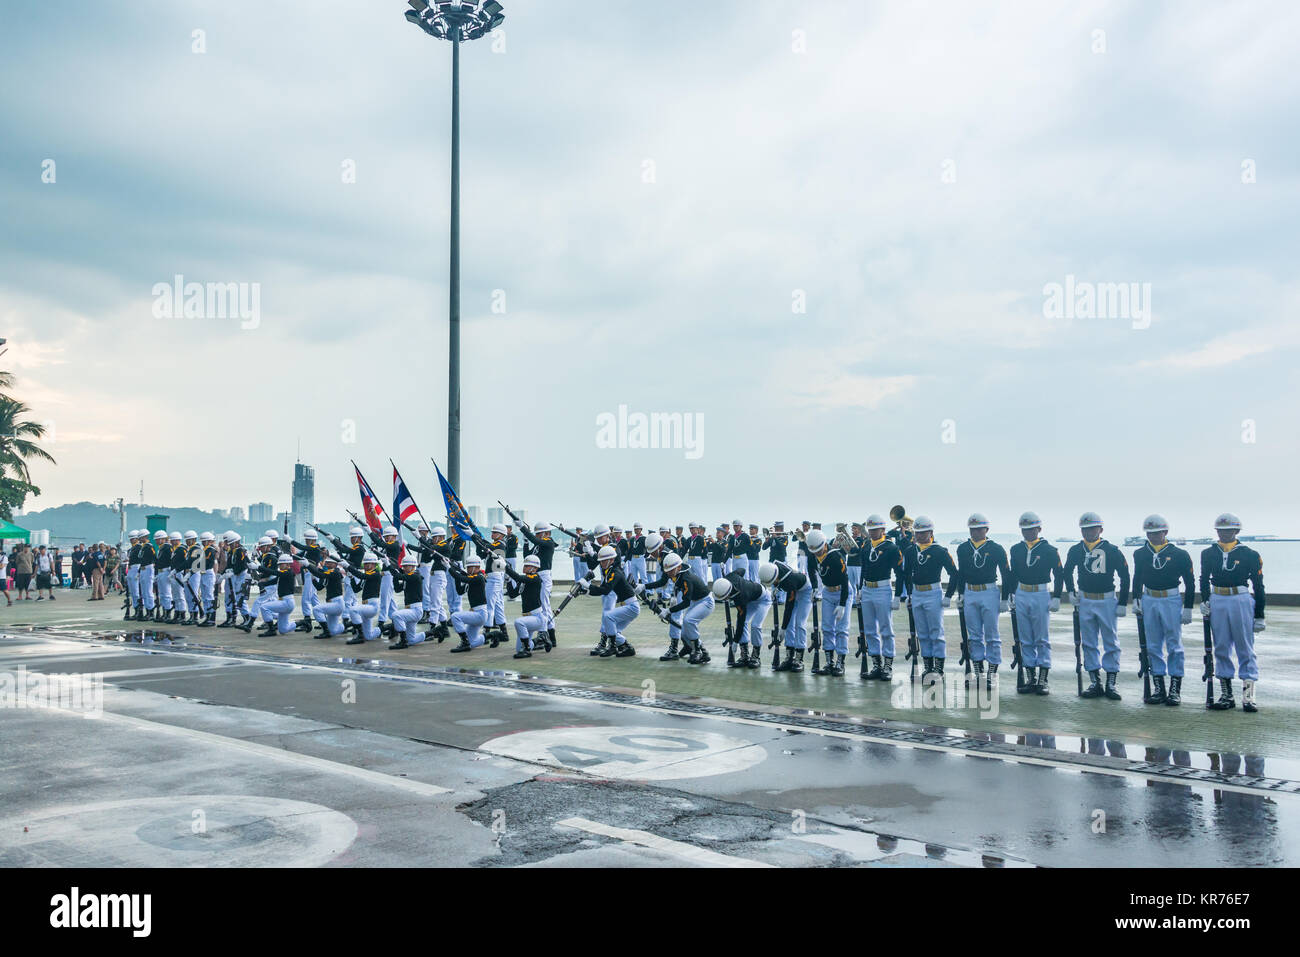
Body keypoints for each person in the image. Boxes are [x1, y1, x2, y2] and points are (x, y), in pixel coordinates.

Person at [1199, 513, 1266, 713]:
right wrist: (1205, 600)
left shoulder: (1250, 554)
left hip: (1240, 599)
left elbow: (1259, 585)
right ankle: (1226, 694)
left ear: (1236, 531)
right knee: (1220, 647)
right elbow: (1203, 579)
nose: (1224, 533)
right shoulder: (1208, 553)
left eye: (1229, 530)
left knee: (1245, 646)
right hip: (1217, 598)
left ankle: (1248, 695)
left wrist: (1260, 614)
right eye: (1221, 530)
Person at [1062, 512, 1131, 700]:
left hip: (1107, 600)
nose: (1089, 532)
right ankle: (1095, 681)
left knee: (1111, 641)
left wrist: (1123, 602)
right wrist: (1071, 591)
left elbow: (1125, 575)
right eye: (1085, 529)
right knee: (1089, 642)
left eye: (1093, 528)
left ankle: (1111, 682)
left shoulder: (1112, 550)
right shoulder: (1076, 550)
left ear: (1100, 529)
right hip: (1085, 600)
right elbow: (1066, 571)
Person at [1131, 514, 1195, 706]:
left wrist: (1189, 607)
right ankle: (1159, 686)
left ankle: (1175, 688)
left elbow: (1190, 583)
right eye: (1149, 533)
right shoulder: (1140, 553)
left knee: (1174, 644)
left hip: (1171, 599)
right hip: (1149, 598)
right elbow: (1137, 577)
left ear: (1165, 532)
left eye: (1156, 533)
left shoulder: (1180, 554)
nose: (1152, 536)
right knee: (1152, 644)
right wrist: (1136, 598)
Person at [952, 513, 1013, 690]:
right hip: (970, 592)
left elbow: (1005, 574)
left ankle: (991, 675)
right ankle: (978, 674)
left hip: (989, 592)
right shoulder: (963, 548)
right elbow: (961, 573)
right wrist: (961, 593)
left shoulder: (996, 548)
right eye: (973, 529)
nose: (976, 532)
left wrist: (1004, 598)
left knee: (992, 636)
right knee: (975, 636)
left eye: (979, 529)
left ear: (986, 529)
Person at [1007, 512, 1065, 695]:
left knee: (1041, 638)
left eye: (1031, 529)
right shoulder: (1016, 549)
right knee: (1026, 638)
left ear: (1039, 529)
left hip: (1040, 593)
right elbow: (1013, 574)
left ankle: (1043, 678)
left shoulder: (1049, 550)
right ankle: (1030, 675)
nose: (1028, 533)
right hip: (1022, 592)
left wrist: (1056, 596)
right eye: (1025, 530)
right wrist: (1010, 593)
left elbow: (1059, 574)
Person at [906, 516, 959, 682]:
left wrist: (948, 595)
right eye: (917, 532)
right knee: (922, 633)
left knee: (936, 632)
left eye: (923, 532)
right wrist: (909, 594)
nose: (920, 535)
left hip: (933, 593)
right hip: (917, 594)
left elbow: (954, 573)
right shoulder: (910, 550)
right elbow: (907, 574)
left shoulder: (940, 551)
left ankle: (939, 668)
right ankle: (927, 666)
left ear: (931, 532)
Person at [857, 515, 907, 681]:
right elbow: (863, 569)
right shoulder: (865, 546)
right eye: (870, 530)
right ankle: (876, 664)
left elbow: (900, 574)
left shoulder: (891, 548)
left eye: (875, 529)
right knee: (870, 630)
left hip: (883, 589)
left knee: (886, 629)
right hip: (867, 589)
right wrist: (860, 588)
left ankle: (887, 665)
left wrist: (898, 595)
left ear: (883, 530)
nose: (872, 532)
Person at [805, 529, 852, 677]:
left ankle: (840, 662)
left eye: (819, 550)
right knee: (826, 627)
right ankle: (829, 661)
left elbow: (845, 580)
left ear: (824, 544)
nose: (817, 554)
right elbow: (811, 571)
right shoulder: (812, 555)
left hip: (842, 591)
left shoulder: (835, 556)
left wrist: (843, 604)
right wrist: (814, 587)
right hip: (827, 592)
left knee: (842, 628)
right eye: (814, 551)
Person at [580, 544, 639, 658]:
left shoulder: (615, 572)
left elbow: (606, 590)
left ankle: (612, 647)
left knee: (608, 616)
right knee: (611, 629)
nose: (601, 563)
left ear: (611, 560)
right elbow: (602, 588)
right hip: (629, 606)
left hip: (632, 606)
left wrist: (588, 586)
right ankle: (628, 648)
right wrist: (587, 591)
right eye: (601, 561)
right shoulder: (609, 571)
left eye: (603, 561)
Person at [760, 557, 811, 671]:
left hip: (805, 591)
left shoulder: (789, 582)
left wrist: (782, 628)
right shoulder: (772, 568)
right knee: (790, 625)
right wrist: (774, 589)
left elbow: (789, 607)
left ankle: (799, 658)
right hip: (794, 587)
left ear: (776, 578)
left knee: (799, 623)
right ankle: (789, 656)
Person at [505, 554, 552, 658]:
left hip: (537, 618)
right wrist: (508, 580)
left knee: (518, 622)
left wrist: (505, 568)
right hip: (528, 618)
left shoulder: (535, 578)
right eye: (525, 565)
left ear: (534, 568)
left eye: (527, 566)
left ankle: (527, 650)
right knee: (518, 649)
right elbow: (512, 594)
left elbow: (517, 577)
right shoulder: (525, 580)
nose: (524, 567)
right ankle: (539, 640)